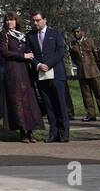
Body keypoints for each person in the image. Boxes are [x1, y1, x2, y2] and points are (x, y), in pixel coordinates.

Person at [0, 13, 42, 142]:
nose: (9, 22)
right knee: (17, 99)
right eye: (7, 20)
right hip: (13, 69)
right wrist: (23, 56)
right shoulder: (4, 35)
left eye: (11, 20)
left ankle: (30, 130)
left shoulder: (23, 35)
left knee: (29, 99)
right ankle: (22, 131)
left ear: (16, 21)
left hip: (25, 70)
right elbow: (4, 52)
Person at [26, 12, 69, 142]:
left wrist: (48, 65)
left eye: (37, 20)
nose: (35, 23)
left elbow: (60, 51)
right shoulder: (30, 36)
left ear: (44, 20)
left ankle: (64, 133)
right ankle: (53, 133)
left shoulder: (55, 33)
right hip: (41, 74)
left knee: (60, 104)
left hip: (56, 73)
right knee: (49, 105)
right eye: (33, 20)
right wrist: (38, 64)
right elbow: (29, 54)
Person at [68, 26, 100, 122]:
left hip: (93, 71)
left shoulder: (90, 41)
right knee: (86, 95)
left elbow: (98, 56)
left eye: (78, 31)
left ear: (82, 32)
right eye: (74, 32)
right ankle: (91, 114)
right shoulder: (72, 44)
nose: (76, 34)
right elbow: (74, 58)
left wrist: (96, 67)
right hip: (82, 72)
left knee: (99, 93)